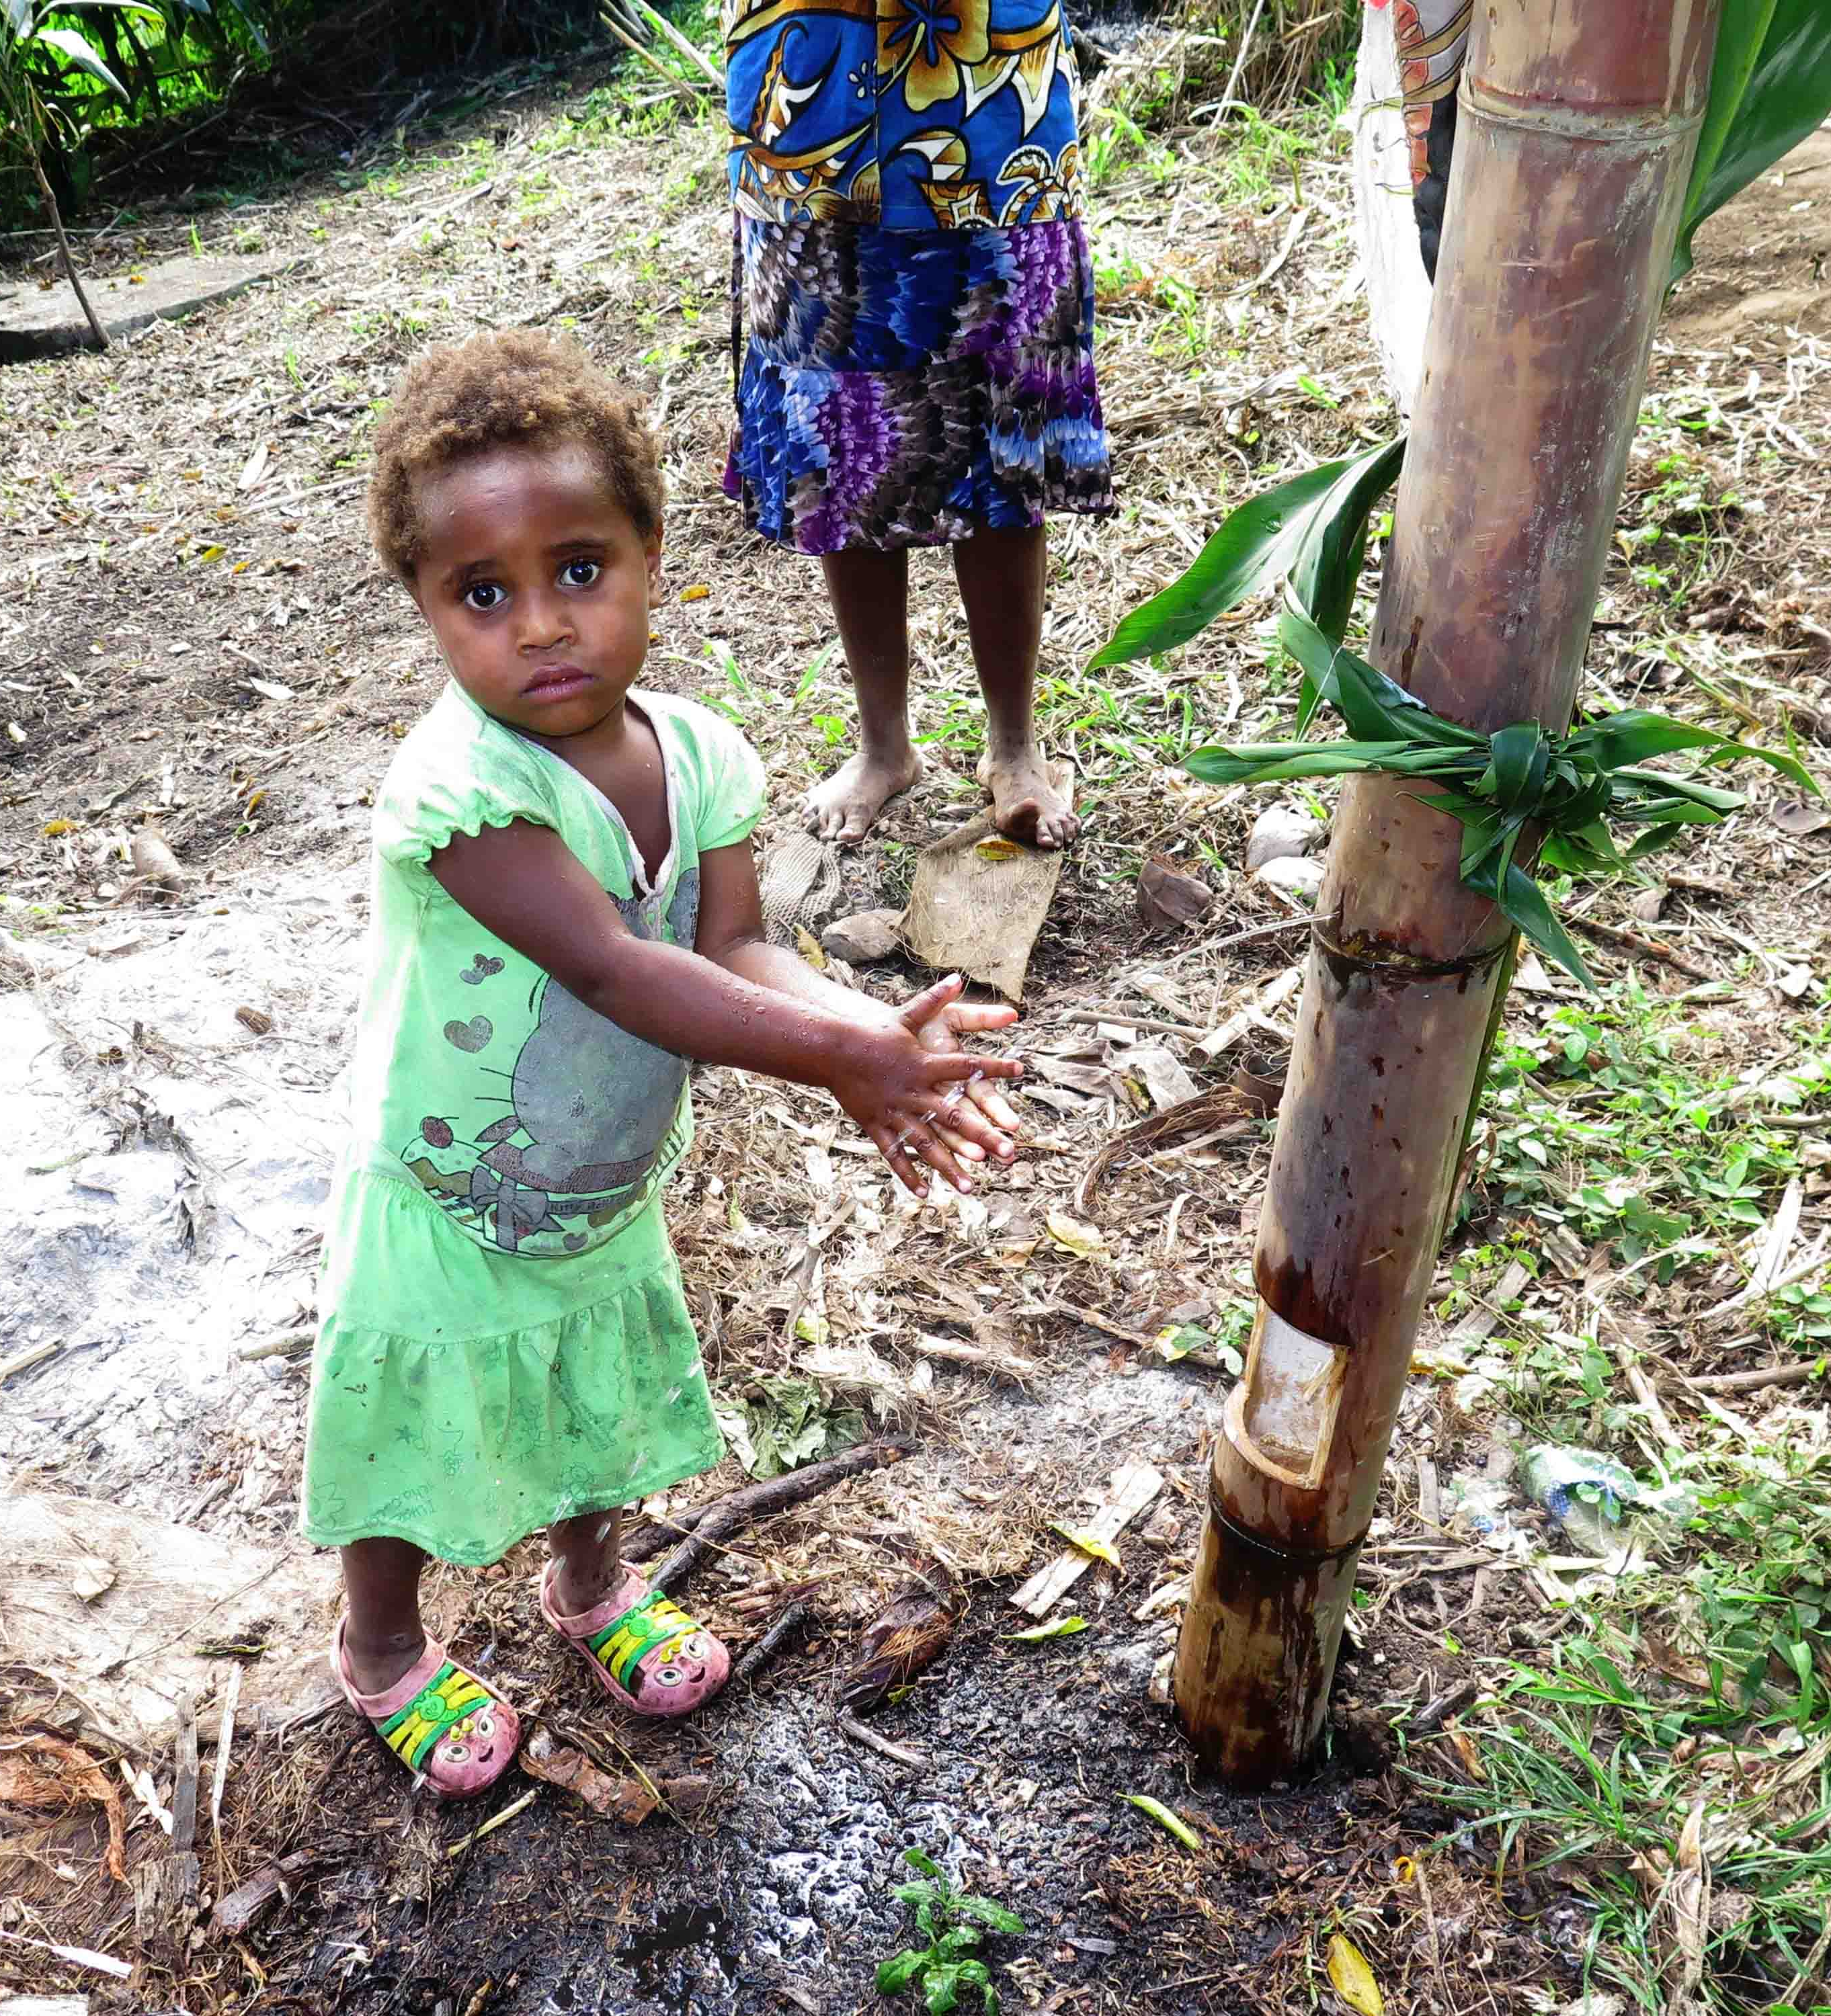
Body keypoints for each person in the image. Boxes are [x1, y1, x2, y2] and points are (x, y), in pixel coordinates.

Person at [307, 330, 1024, 1796]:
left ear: (650, 552)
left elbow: (735, 945)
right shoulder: (458, 792)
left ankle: (590, 1585)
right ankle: (380, 1644)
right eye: (481, 594)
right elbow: (616, 968)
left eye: (579, 568)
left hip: (598, 1175)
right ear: (426, 611)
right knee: (410, 1416)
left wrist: (860, 1034)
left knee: (597, 1396)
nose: (540, 625)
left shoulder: (695, 757)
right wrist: (839, 1063)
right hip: (447, 1187)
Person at [724, 0, 1115, 849]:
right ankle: (883, 747)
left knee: (1001, 439)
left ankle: (1015, 749)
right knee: (842, 443)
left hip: (990, 111)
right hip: (806, 112)